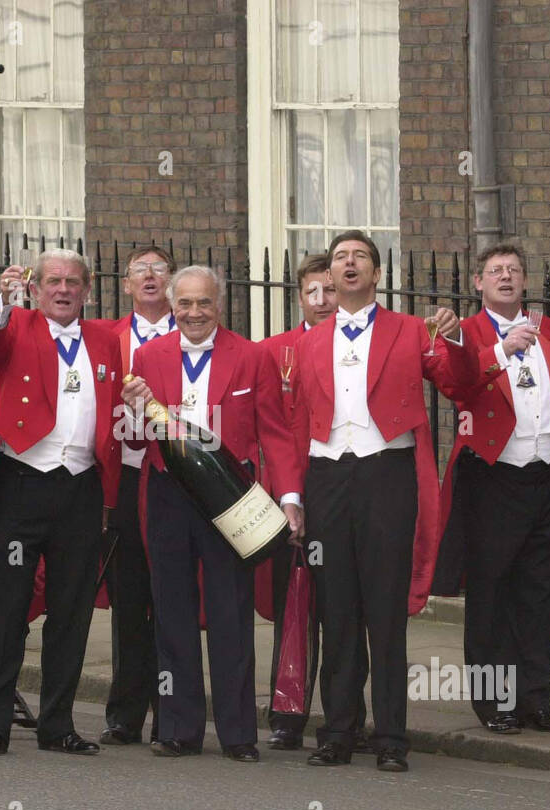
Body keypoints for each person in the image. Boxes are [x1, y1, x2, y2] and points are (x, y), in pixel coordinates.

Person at [291, 230, 480, 772]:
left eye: (361, 258)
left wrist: (456, 337)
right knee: (336, 610)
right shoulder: (308, 341)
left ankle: (392, 737)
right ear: (328, 276)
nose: (349, 265)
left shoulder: (410, 330)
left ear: (376, 274)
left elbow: (459, 385)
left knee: (385, 612)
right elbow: (297, 420)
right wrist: (294, 495)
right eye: (340, 258)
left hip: (388, 475)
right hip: (327, 477)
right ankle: (337, 733)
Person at [121, 265, 302, 762]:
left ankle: (238, 732)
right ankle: (179, 728)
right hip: (167, 494)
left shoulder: (251, 356)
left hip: (230, 498)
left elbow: (277, 434)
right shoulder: (147, 355)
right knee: (172, 612)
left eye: (204, 303)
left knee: (230, 614)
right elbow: (134, 438)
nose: (194, 313)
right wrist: (134, 410)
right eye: (185, 304)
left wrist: (290, 500)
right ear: (173, 307)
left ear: (219, 306)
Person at [0, 249, 121, 757]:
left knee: (71, 611)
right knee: (7, 608)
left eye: (73, 282)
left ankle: (58, 724)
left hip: (79, 487)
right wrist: (4, 302)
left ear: (87, 289)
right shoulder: (18, 325)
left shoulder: (103, 340)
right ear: (36, 288)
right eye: (53, 280)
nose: (63, 289)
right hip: (23, 481)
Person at [433, 243, 550, 734]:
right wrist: (500, 350)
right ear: (479, 283)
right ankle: (495, 702)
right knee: (491, 592)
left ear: (525, 280)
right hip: (493, 474)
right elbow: (455, 385)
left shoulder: (549, 328)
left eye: (514, 270)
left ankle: (536, 698)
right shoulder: (465, 334)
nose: (506, 277)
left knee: (537, 590)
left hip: (548, 472)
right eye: (495, 271)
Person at [258, 253, 368, 751]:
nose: (323, 301)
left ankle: (347, 715)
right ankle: (287, 710)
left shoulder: (362, 343)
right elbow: (270, 431)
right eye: (313, 292)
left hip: (347, 491)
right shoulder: (275, 351)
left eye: (330, 289)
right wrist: (289, 495)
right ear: (299, 297)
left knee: (347, 609)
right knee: (293, 606)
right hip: (290, 495)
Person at [100, 246, 177, 746]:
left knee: (171, 596)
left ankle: (172, 713)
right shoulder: (108, 337)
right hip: (125, 476)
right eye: (140, 271)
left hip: (175, 476)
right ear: (127, 283)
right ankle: (126, 713)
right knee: (129, 597)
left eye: (159, 269)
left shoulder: (191, 330)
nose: (150, 277)